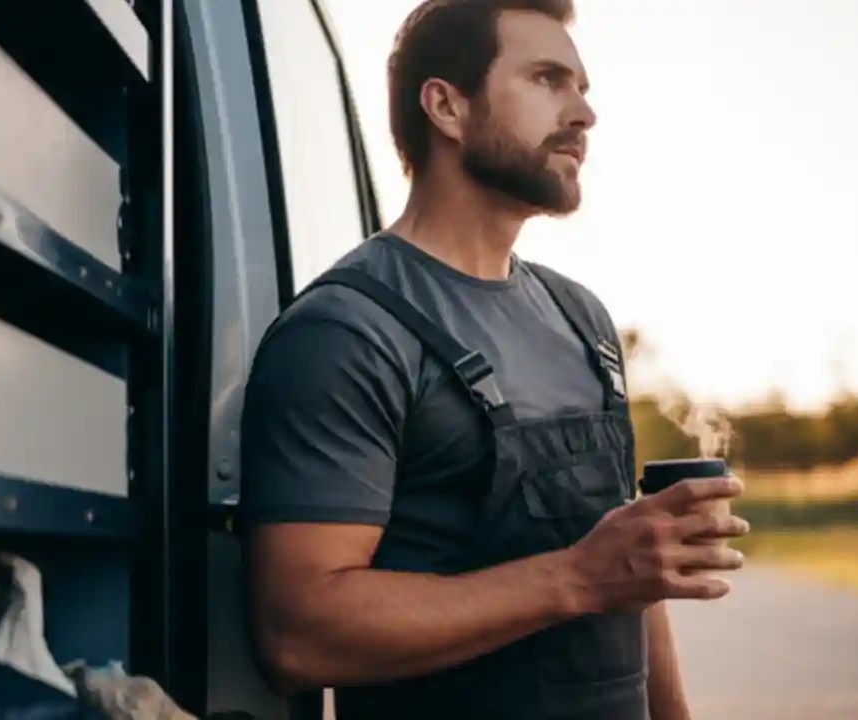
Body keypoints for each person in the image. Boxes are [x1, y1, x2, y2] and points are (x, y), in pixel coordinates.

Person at [238, 1, 750, 718]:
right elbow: (298, 635)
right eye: (548, 80)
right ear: (446, 106)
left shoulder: (583, 319)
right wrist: (576, 577)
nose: (583, 115)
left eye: (583, 88)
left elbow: (626, 577)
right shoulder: (345, 333)